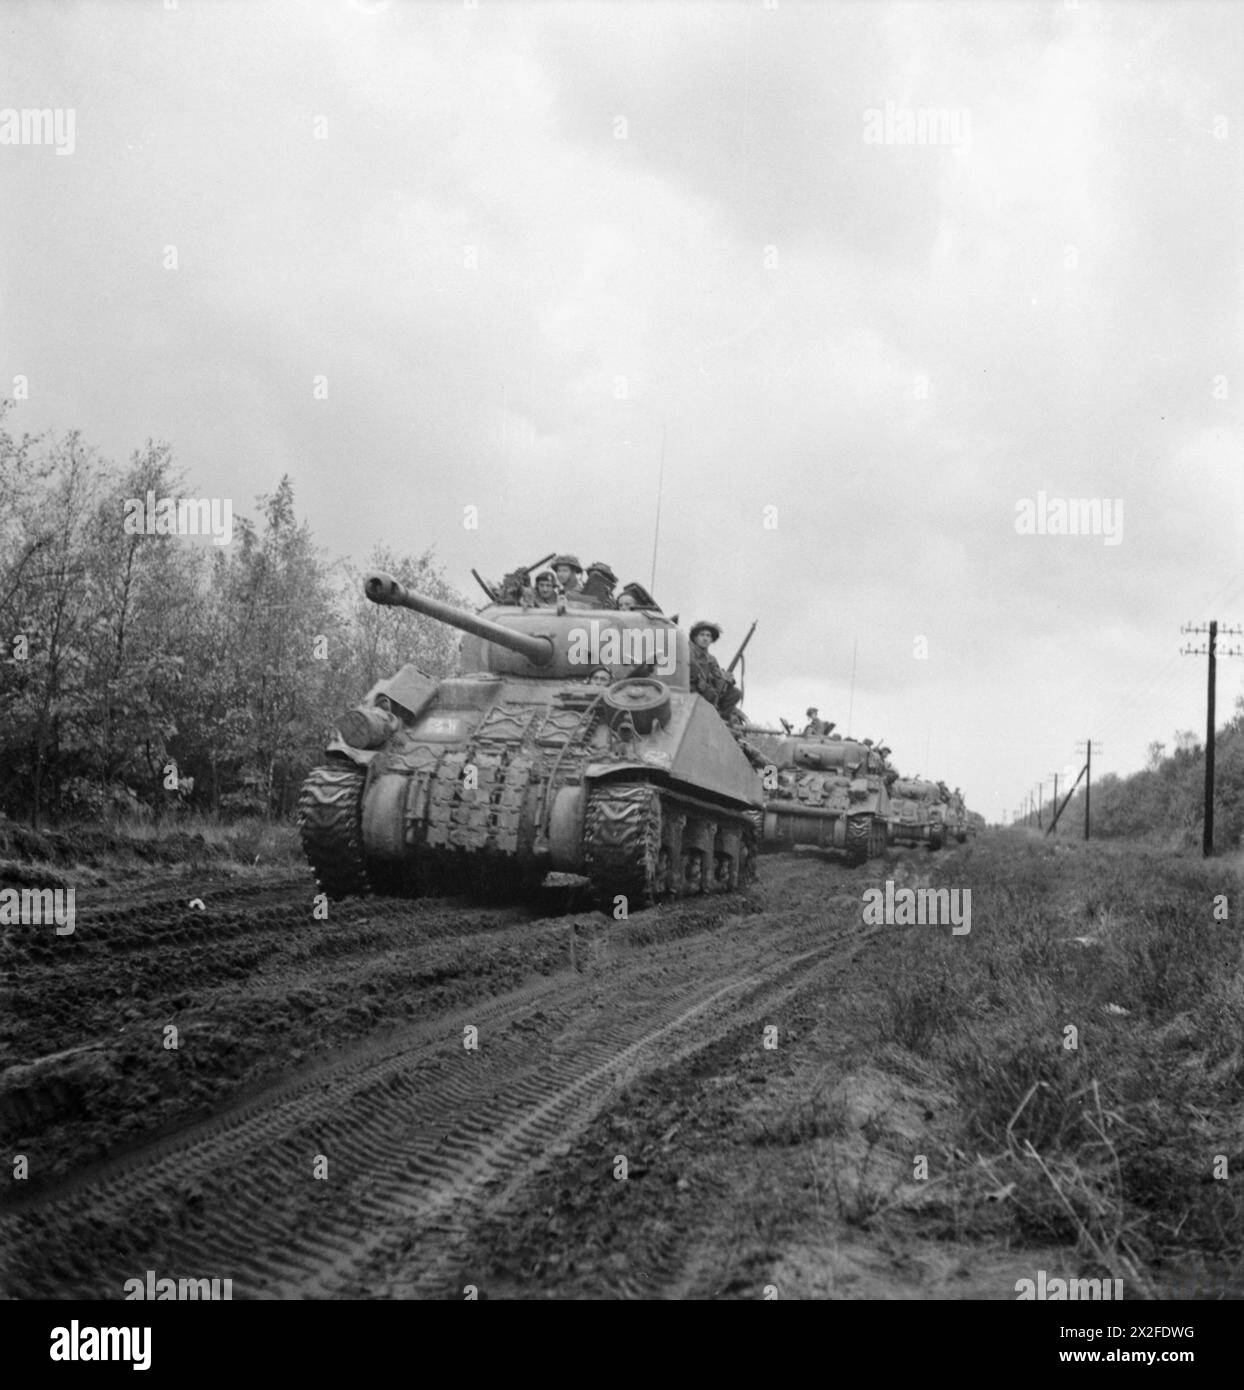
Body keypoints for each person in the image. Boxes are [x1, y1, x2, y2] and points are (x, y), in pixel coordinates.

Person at [689, 621, 742, 718]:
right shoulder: (687, 652)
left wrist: (726, 679)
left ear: (711, 639)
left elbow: (717, 675)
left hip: (707, 693)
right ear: (695, 637)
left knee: (735, 693)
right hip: (692, 689)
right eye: (702, 635)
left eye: (708, 636)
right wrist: (703, 685)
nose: (705, 638)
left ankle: (720, 718)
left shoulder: (711, 659)